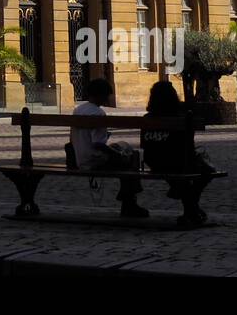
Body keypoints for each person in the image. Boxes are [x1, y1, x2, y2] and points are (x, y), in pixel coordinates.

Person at [141, 80, 218, 229]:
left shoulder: (147, 118)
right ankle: (191, 208)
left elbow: (145, 145)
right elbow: (188, 145)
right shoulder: (182, 116)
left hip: (153, 161)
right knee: (208, 170)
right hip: (177, 161)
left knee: (177, 172)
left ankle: (190, 207)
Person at [71, 77, 147, 219]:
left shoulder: (78, 109)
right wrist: (116, 153)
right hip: (94, 160)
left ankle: (128, 200)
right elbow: (98, 144)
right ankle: (129, 203)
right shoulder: (99, 114)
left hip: (80, 157)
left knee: (123, 148)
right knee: (130, 158)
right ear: (102, 96)